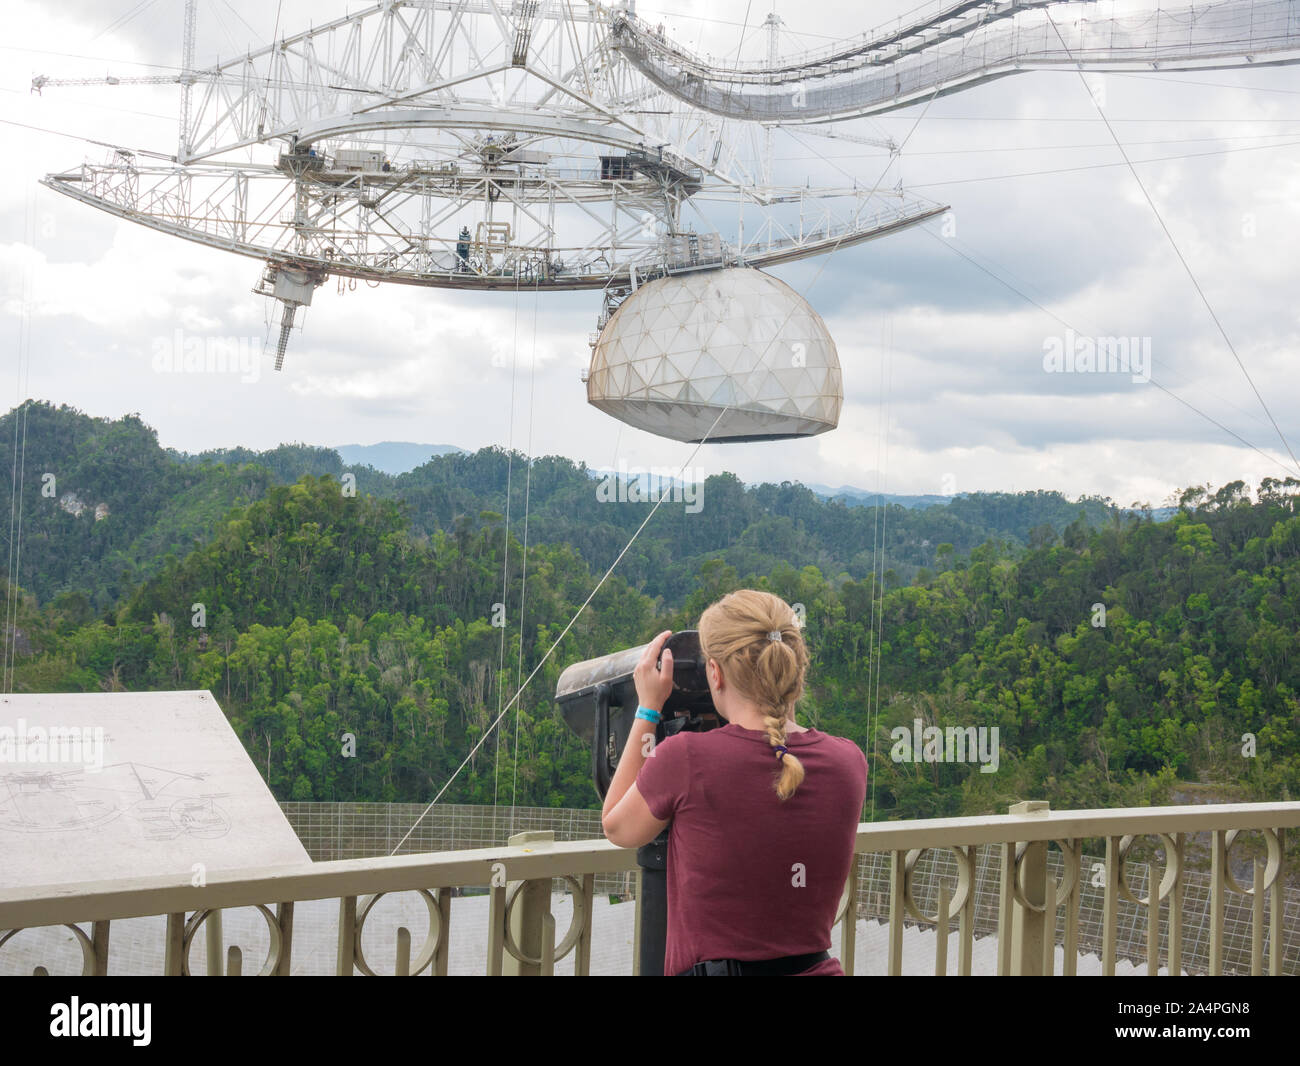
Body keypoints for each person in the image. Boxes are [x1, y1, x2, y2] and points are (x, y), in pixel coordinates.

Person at [601, 589, 868, 975]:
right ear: (797, 670)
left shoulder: (686, 757)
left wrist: (647, 708)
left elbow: (617, 826)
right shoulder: (849, 762)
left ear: (715, 673)